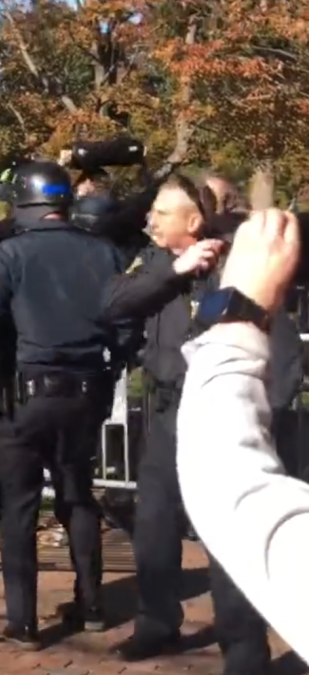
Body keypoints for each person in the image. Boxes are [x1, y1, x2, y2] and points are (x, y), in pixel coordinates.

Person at [100, 176, 300, 674]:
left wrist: (262, 410)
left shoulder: (239, 265)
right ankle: (156, 624)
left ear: (193, 221)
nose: (150, 222)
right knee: (154, 526)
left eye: (161, 215)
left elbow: (285, 345)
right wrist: (172, 272)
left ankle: (244, 653)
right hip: (167, 415)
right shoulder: (155, 263)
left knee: (228, 536)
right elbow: (111, 305)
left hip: (224, 417)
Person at [0, 162, 136, 647]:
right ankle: (91, 603)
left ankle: (23, 622)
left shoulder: (6, 255)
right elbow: (127, 327)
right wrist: (106, 368)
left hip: (23, 399)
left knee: (18, 506)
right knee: (78, 496)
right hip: (86, 396)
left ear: (24, 204)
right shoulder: (105, 253)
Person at [177, 207, 309, 662]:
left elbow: (231, 489)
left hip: (264, 429)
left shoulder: (270, 315)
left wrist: (240, 315)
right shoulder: (165, 272)